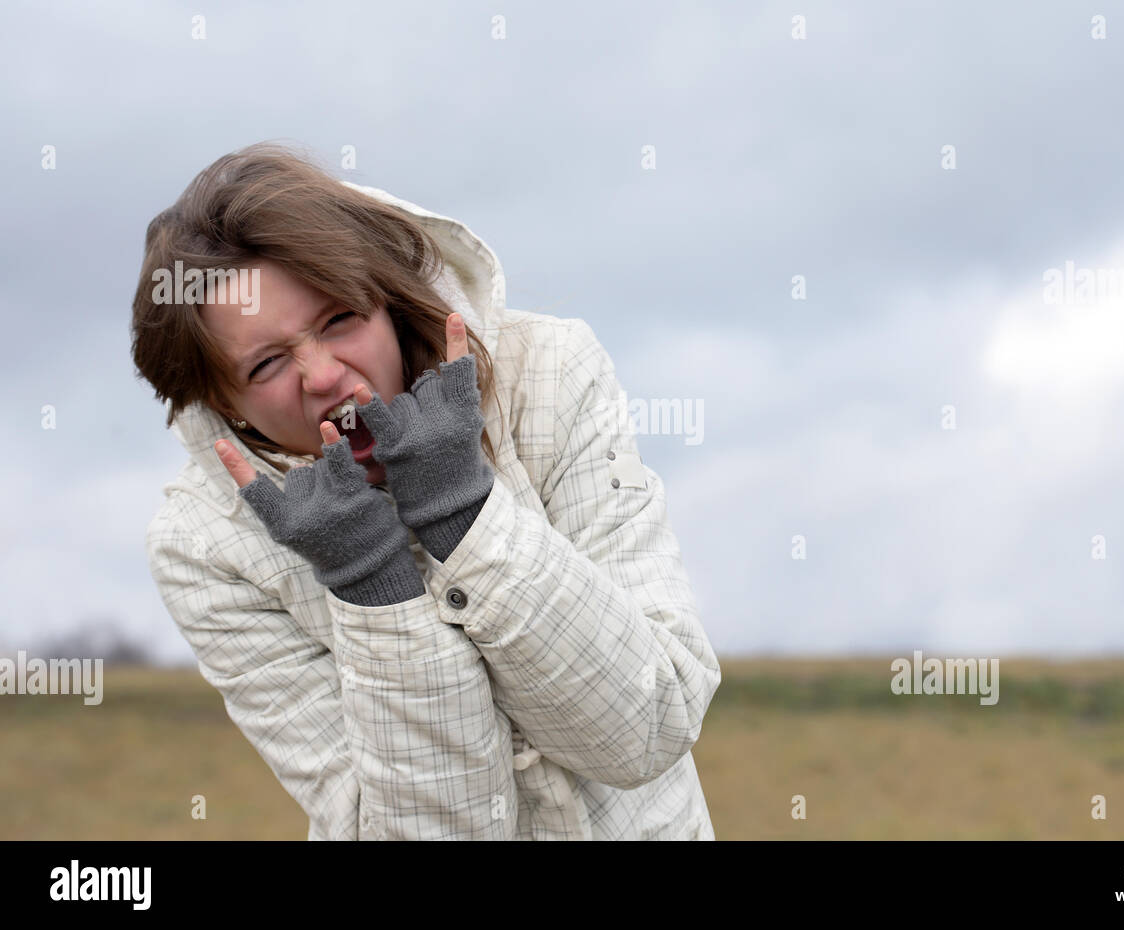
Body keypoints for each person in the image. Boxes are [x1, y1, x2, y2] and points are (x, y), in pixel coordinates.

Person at [133, 142, 722, 840]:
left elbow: (649, 729)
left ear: (387, 300)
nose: (323, 375)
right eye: (266, 363)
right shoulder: (206, 546)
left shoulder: (552, 375)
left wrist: (464, 514)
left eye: (340, 319)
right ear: (220, 402)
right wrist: (369, 586)